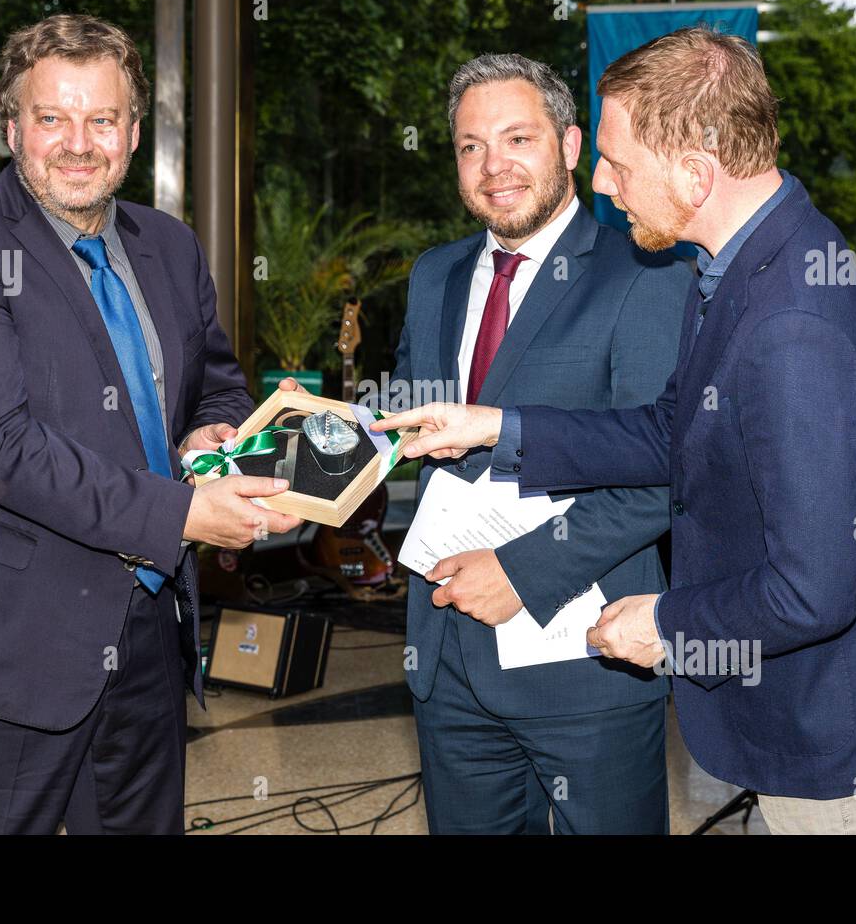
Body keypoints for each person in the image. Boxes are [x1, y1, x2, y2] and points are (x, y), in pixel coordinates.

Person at [374, 27, 856, 834]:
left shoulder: (790, 321)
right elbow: (667, 432)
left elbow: (813, 588)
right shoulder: (749, 268)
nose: (606, 187)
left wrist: (662, 624)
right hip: (802, 722)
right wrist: (497, 426)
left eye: (616, 163)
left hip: (837, 736)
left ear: (695, 172)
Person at [0, 14, 299, 834]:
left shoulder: (170, 247)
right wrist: (185, 514)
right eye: (52, 119)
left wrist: (209, 440)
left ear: (134, 132)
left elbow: (214, 384)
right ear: (11, 127)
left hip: (147, 628)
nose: (78, 143)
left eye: (102, 120)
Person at [293, 53, 691, 833]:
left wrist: (520, 572)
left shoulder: (647, 271)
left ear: (572, 147)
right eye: (471, 146)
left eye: (517, 139)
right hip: (448, 656)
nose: (493, 166)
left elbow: (663, 467)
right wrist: (293, 454)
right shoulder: (435, 274)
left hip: (584, 661)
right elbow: (412, 417)